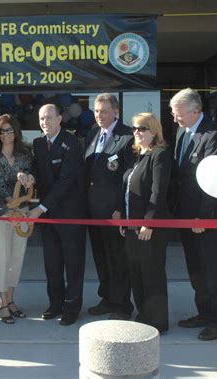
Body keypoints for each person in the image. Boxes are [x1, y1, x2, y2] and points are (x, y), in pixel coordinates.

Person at [170, 88, 217, 341]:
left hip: (208, 220)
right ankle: (204, 313)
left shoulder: (215, 135)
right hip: (187, 217)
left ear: (196, 111)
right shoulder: (183, 131)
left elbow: (216, 180)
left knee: (215, 271)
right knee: (196, 270)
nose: (175, 119)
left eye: (179, 114)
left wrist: (202, 218)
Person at [19, 104, 87, 326]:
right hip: (48, 216)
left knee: (73, 263)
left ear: (60, 119)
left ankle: (71, 307)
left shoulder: (72, 143)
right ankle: (55, 304)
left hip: (69, 214)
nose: (44, 122)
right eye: (41, 118)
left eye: (49, 118)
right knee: (52, 263)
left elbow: (65, 181)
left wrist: (40, 208)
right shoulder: (39, 144)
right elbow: (39, 170)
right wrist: (30, 178)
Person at [120, 113, 172, 333]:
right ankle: (143, 315)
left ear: (153, 130)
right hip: (132, 227)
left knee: (152, 274)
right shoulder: (136, 156)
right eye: (134, 128)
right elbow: (127, 192)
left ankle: (158, 321)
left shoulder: (159, 155)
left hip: (150, 228)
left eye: (142, 128)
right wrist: (124, 219)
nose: (137, 132)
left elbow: (157, 193)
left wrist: (149, 223)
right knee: (136, 272)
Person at [84, 93, 134, 320]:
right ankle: (107, 298)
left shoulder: (128, 136)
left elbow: (129, 177)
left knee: (118, 260)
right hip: (93, 212)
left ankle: (122, 305)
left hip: (113, 211)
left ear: (116, 112)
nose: (99, 116)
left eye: (104, 111)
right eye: (96, 111)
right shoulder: (93, 133)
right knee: (101, 258)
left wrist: (120, 208)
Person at [0, 114, 32, 324]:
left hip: (22, 212)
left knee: (17, 258)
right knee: (1, 257)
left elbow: (30, 178)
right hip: (0, 212)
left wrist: (29, 179)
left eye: (9, 130)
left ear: (16, 131)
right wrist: (10, 204)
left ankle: (12, 300)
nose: (6, 134)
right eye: (2, 130)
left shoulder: (25, 153)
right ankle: (2, 302)